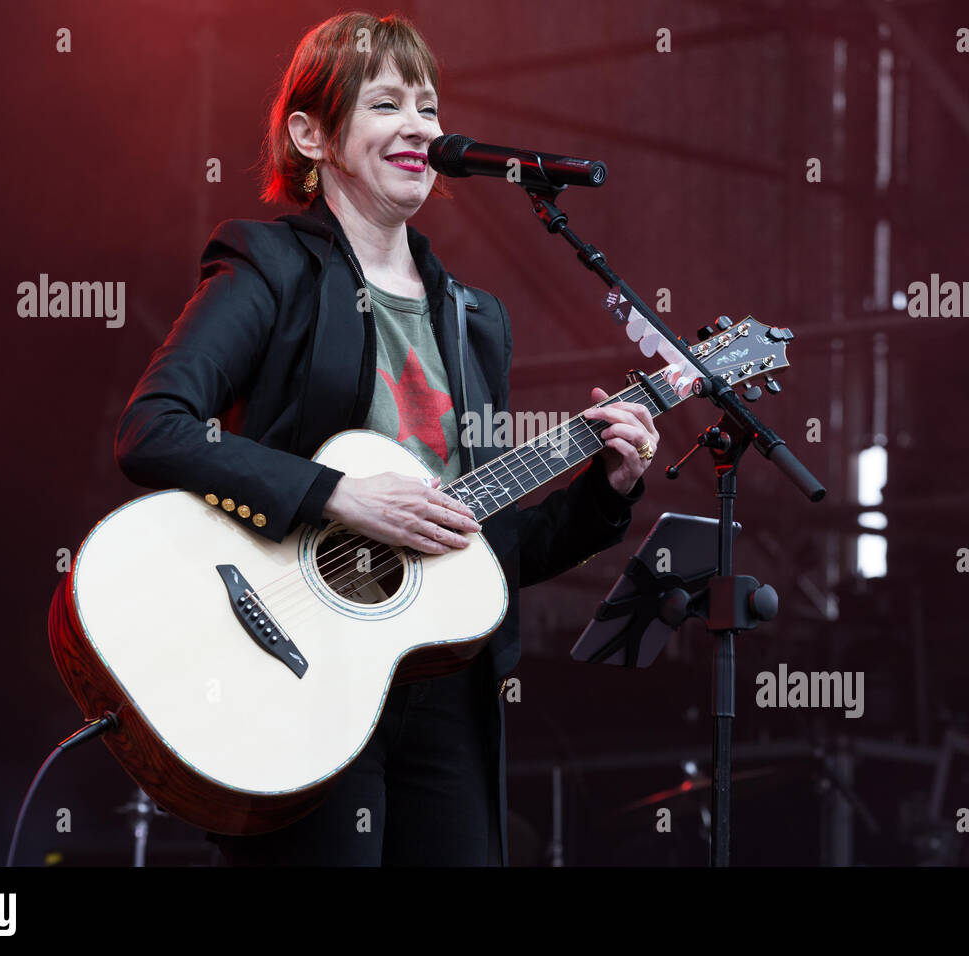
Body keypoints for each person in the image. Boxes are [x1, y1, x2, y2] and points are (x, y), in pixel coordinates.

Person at [113, 11, 660, 866]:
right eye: (386, 104)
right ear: (311, 134)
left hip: (441, 690)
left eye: (431, 107)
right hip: (301, 673)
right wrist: (339, 495)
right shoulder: (270, 267)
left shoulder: (474, 318)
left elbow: (486, 544)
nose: (420, 128)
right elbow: (154, 429)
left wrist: (608, 489)